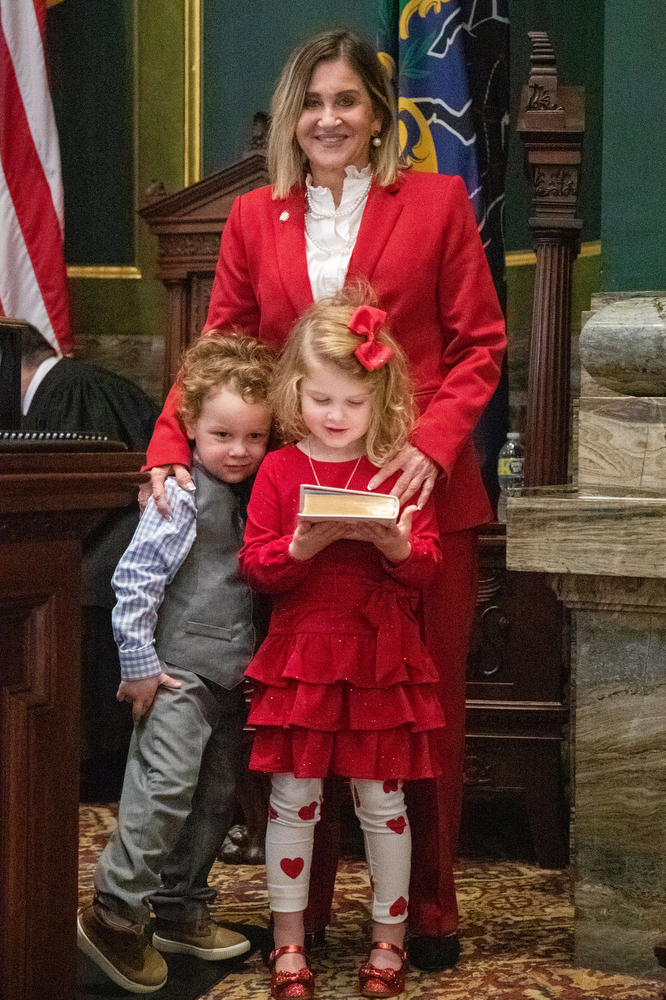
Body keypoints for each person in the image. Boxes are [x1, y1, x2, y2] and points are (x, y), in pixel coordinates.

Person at [144, 29, 506, 972]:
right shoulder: (252, 218)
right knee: (301, 714)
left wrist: (429, 444)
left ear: (378, 115)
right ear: (290, 119)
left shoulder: (437, 202)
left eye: (346, 100)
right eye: (311, 102)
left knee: (423, 714)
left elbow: (480, 345)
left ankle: (427, 912)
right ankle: (299, 916)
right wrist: (169, 443)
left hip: (419, 493)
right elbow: (223, 347)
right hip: (299, 501)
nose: (328, 118)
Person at [241, 290, 445, 1000]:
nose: (335, 415)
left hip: (378, 658)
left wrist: (396, 546)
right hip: (301, 655)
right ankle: (288, 940)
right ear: (296, 393)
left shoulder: (397, 467)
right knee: (293, 797)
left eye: (353, 402)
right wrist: (297, 549)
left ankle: (389, 938)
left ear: (380, 399)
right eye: (322, 399)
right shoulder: (279, 468)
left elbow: (427, 565)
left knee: (383, 803)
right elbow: (256, 565)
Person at [77, 332, 274, 994]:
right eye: (222, 435)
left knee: (215, 796)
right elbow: (135, 582)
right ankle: (113, 912)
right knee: (163, 789)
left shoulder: (256, 490)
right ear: (190, 426)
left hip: (230, 675)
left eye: (254, 436)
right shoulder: (180, 496)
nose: (238, 450)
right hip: (175, 672)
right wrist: (138, 664)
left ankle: (181, 908)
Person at [19, 323, 162, 798]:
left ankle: (93, 766)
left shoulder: (73, 387)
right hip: (109, 535)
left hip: (121, 539)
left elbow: (83, 485)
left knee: (76, 592)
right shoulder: (74, 384)